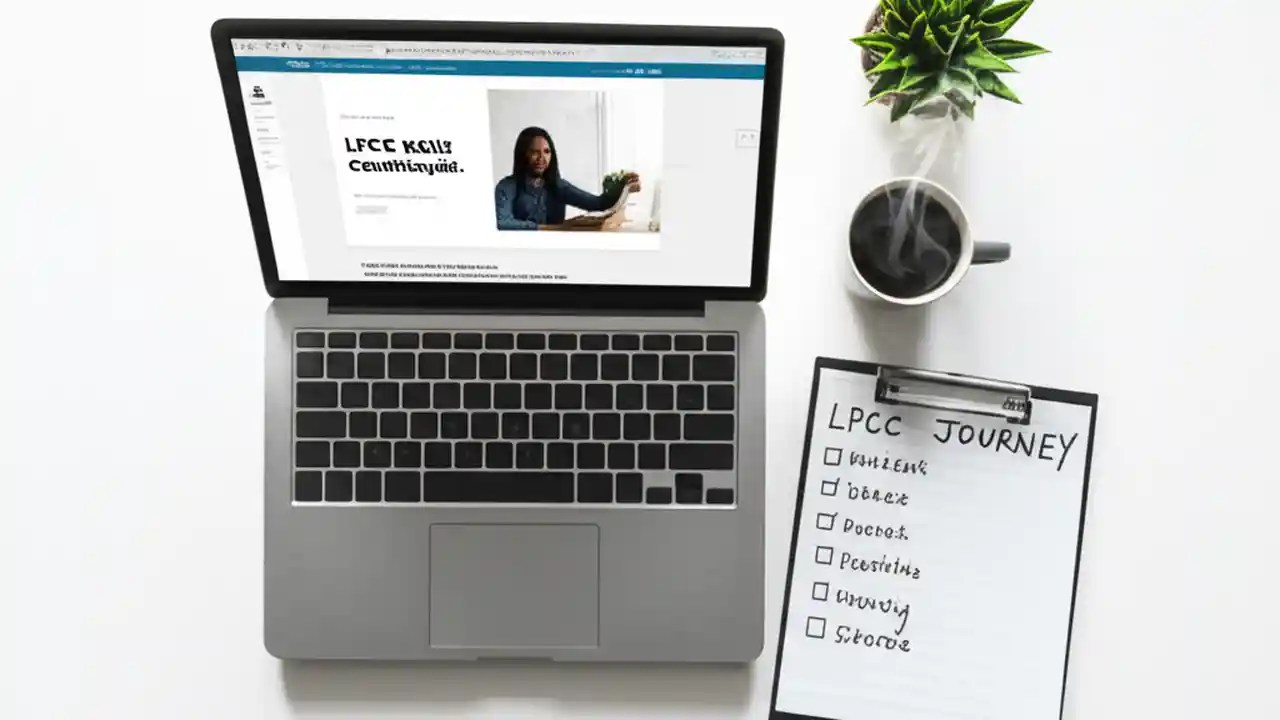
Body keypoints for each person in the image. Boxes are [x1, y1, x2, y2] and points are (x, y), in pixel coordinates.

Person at [494, 126, 641, 231]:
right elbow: (502, 222)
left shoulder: (557, 186)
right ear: (523, 154)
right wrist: (557, 228)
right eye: (534, 152)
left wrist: (625, 185)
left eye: (547, 151)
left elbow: (598, 204)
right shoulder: (506, 187)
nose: (542, 158)